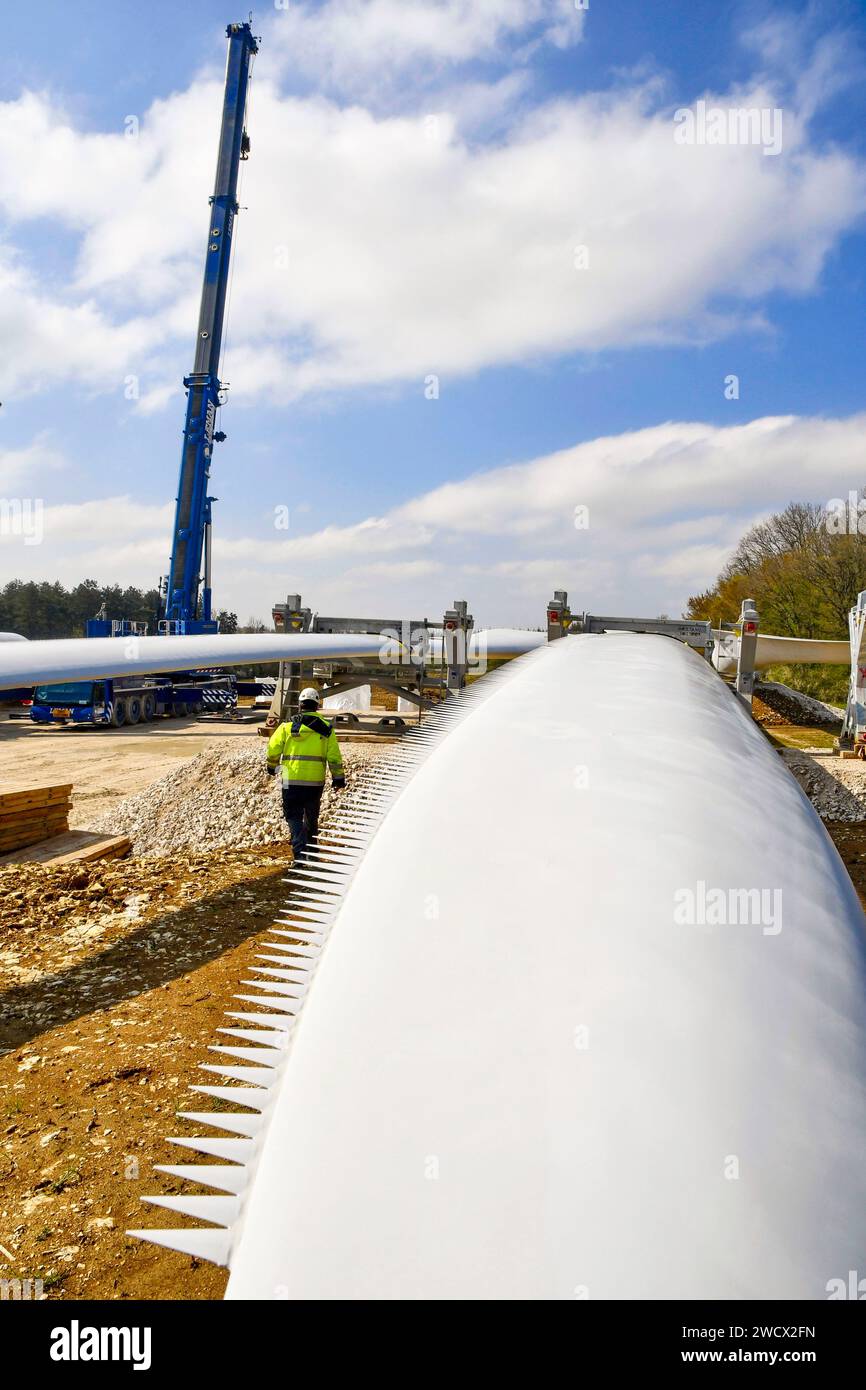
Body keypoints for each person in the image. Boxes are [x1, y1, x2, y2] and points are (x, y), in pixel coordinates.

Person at [266, 687, 345, 856]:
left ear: (300, 705)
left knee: (293, 816)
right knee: (311, 816)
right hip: (315, 781)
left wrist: (272, 766)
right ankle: (313, 853)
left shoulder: (287, 726)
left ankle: (300, 855)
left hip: (290, 779)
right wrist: (338, 778)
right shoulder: (326, 728)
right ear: (317, 705)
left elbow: (273, 747)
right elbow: (334, 756)